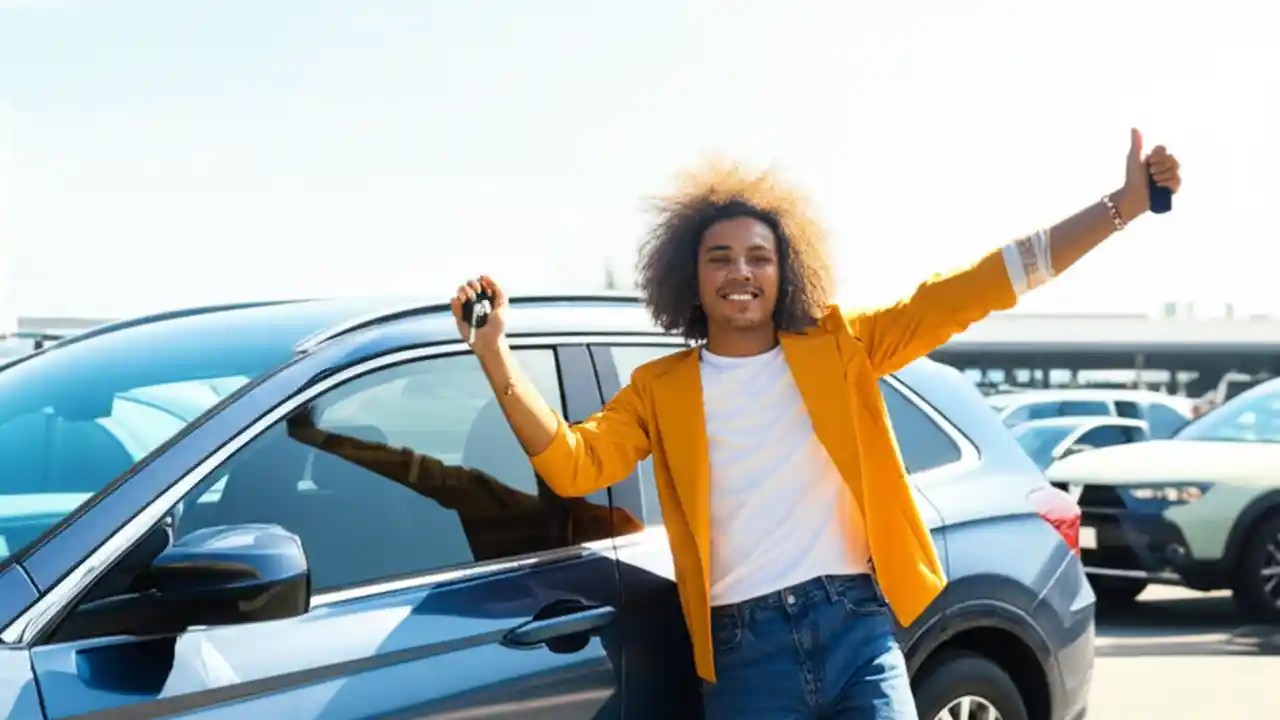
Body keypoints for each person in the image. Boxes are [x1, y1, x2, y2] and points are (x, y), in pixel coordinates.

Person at [450, 129, 1181, 719]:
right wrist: (496, 356)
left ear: (784, 271)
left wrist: (1119, 206)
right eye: (721, 257)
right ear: (691, 278)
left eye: (759, 257)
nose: (742, 271)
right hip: (743, 656)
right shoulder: (660, 391)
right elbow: (574, 466)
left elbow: (978, 287)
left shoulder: (842, 347)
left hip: (856, 629)